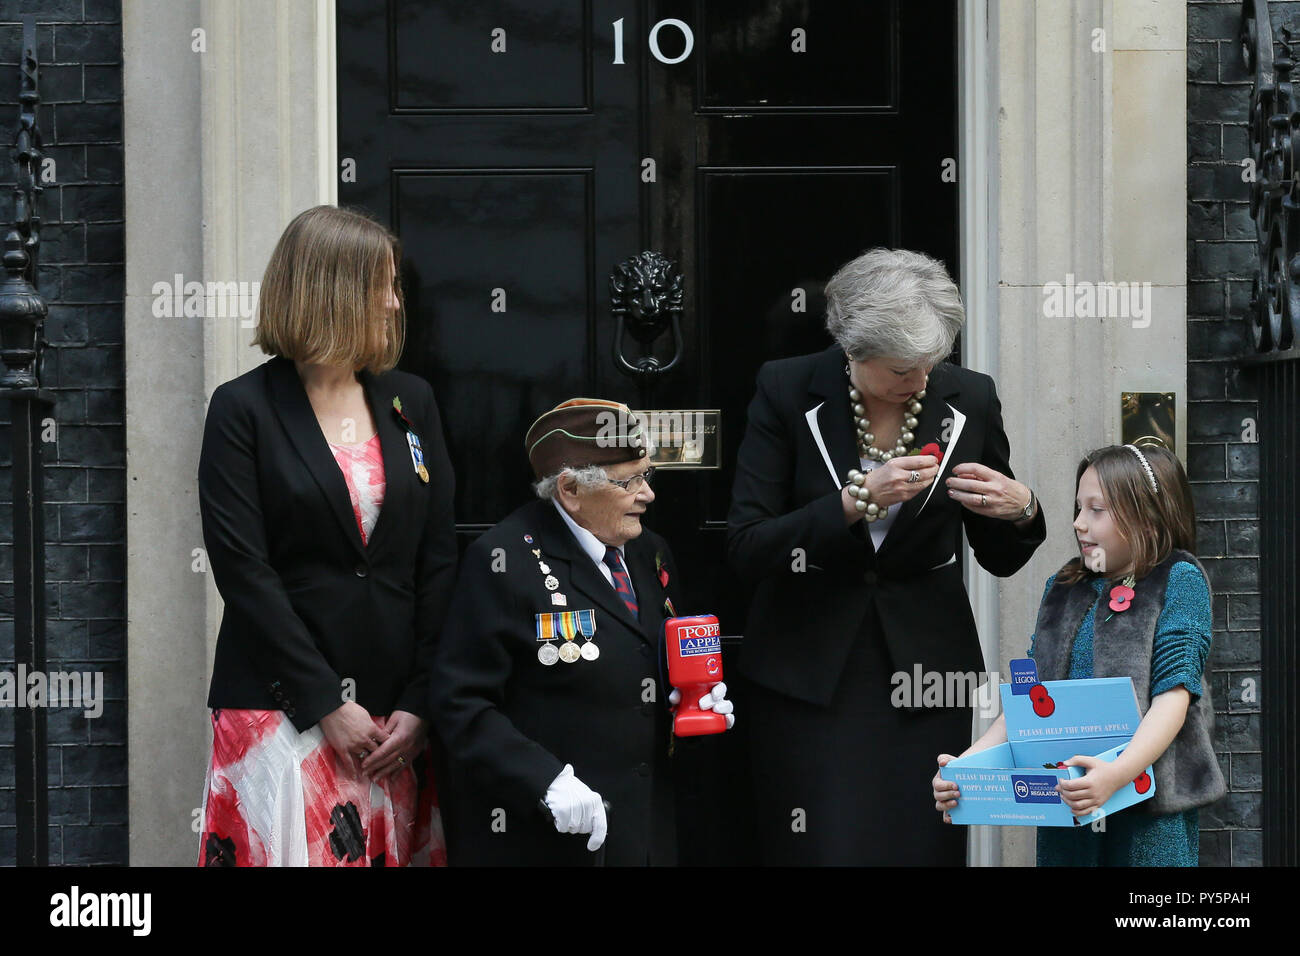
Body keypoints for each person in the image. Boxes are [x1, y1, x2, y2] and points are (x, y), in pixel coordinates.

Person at [727, 247, 1046, 865]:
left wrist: (1022, 509)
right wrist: (852, 503)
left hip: (925, 673)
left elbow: (1000, 557)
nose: (921, 382)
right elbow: (747, 547)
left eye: (931, 363)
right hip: (808, 668)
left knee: (919, 846)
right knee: (820, 846)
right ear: (854, 349)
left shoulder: (970, 398)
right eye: (903, 369)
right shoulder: (787, 389)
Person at [196, 205, 457, 866]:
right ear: (331, 290)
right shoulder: (242, 409)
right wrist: (323, 704)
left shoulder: (411, 401)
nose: (397, 302)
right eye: (383, 285)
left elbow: (438, 557)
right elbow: (244, 570)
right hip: (279, 712)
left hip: (392, 727)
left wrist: (421, 701)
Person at [431, 398, 733, 866]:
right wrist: (544, 779)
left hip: (644, 831)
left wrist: (695, 704)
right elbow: (461, 703)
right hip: (549, 836)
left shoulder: (651, 552)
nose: (647, 494)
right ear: (570, 489)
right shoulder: (503, 561)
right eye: (628, 480)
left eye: (646, 475)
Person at [932, 444, 1227, 866]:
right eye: (1077, 507)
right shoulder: (1064, 585)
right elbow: (1029, 698)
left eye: (1097, 510)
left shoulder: (1178, 580)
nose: (1078, 523)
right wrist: (966, 767)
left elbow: (1174, 697)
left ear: (1148, 513)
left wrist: (1117, 773)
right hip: (1066, 804)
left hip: (1148, 808)